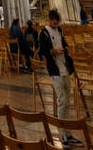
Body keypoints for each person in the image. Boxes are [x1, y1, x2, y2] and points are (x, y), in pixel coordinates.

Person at [38, 10, 81, 147]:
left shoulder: (59, 30)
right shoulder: (44, 32)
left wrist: (66, 48)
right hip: (55, 70)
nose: (56, 23)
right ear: (50, 19)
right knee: (62, 101)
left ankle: (68, 133)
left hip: (64, 68)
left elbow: (63, 42)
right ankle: (62, 134)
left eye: (57, 21)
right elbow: (42, 51)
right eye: (54, 21)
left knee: (67, 101)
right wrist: (53, 52)